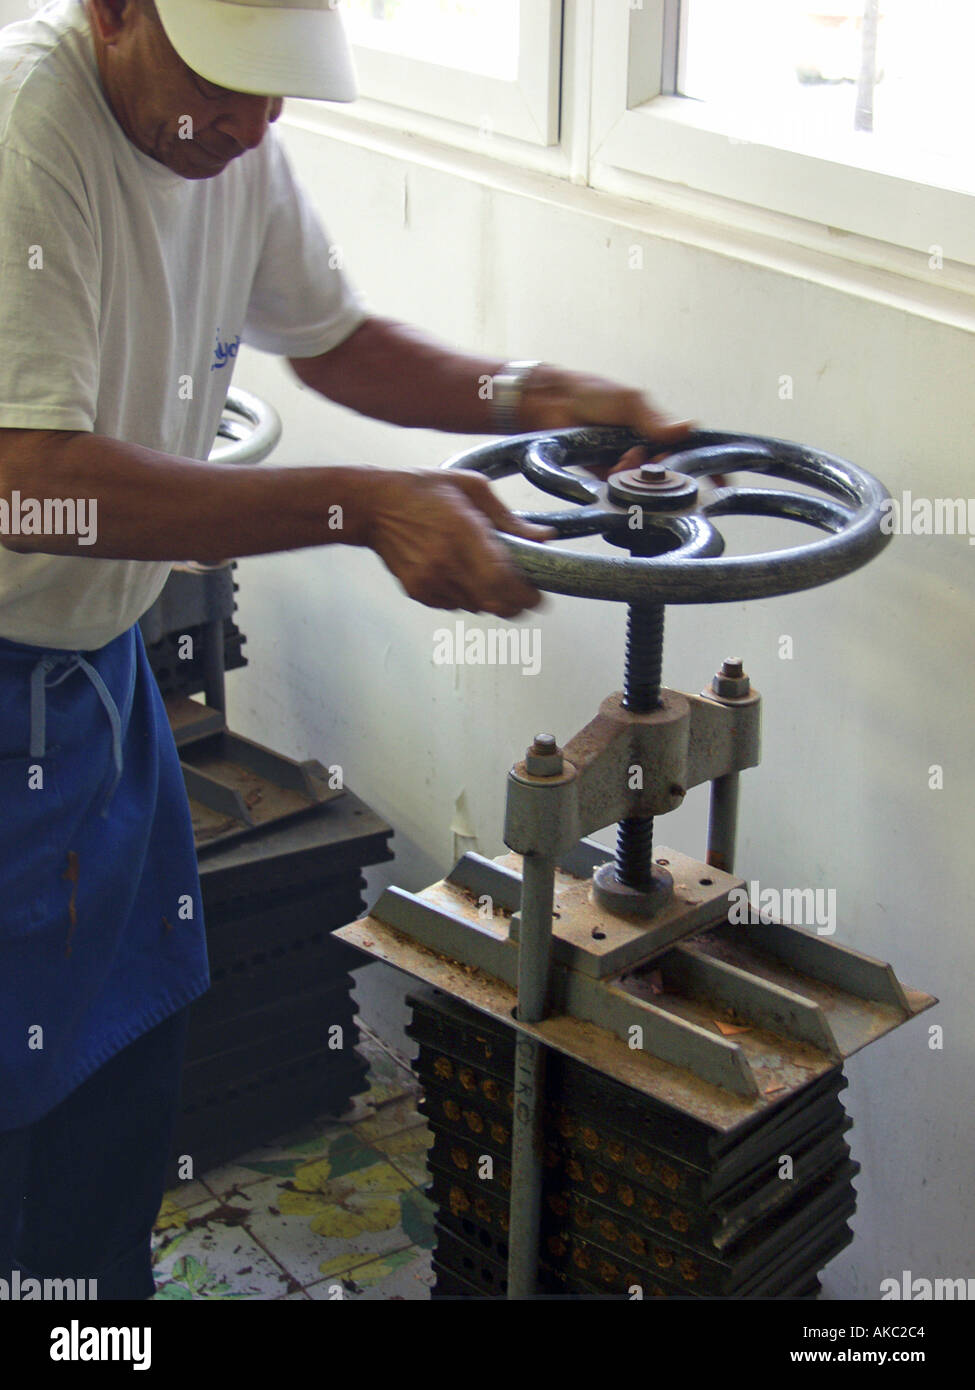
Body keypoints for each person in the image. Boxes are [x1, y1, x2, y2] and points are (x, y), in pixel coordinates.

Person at [0, 0, 690, 1299]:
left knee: (119, 1074)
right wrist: (356, 504)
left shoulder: (229, 133)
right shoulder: (30, 127)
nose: (260, 122)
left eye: (278, 90)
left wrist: (535, 391)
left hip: (95, 686)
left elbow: (338, 342)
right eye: (230, 82)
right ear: (116, 12)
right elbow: (29, 478)